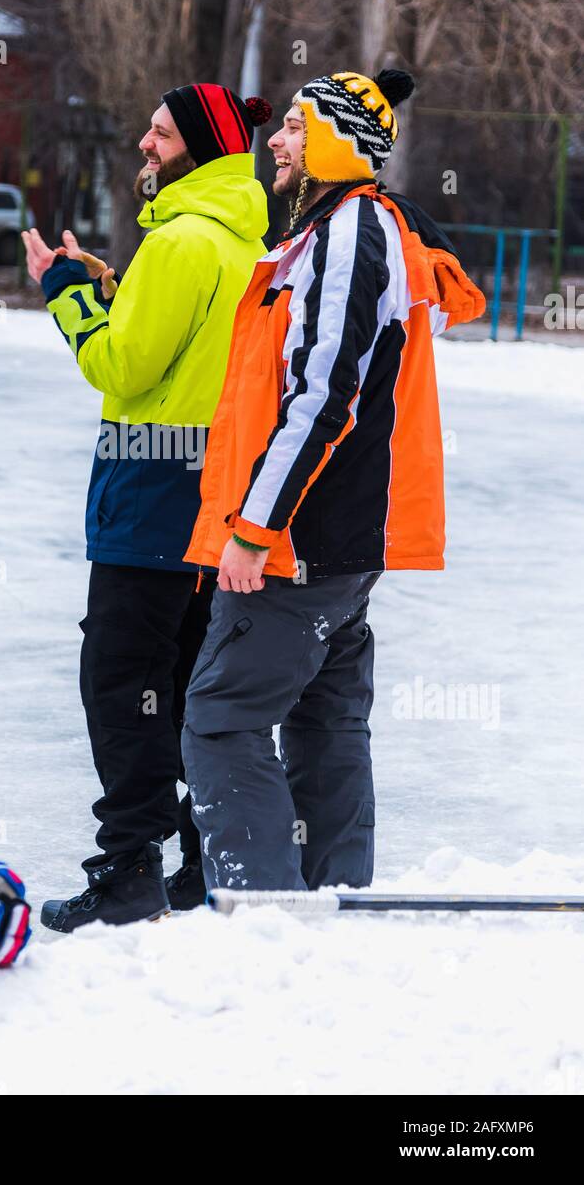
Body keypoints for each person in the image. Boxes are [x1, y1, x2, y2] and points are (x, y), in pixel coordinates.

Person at [181, 68, 486, 895]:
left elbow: (322, 397)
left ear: (331, 141)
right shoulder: (337, 230)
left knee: (221, 719)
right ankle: (333, 898)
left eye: (290, 127)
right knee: (323, 718)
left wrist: (253, 527)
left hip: (304, 536)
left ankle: (262, 906)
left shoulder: (350, 235)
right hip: (339, 539)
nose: (274, 141)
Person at [22, 84, 272, 929]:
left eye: (161, 134)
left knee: (120, 678)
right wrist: (116, 283)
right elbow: (194, 346)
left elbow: (124, 369)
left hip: (153, 483)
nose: (143, 142)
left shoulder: (181, 242)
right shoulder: (244, 241)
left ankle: (130, 864)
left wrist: (66, 292)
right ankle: (206, 860)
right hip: (220, 489)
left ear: (198, 149)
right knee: (191, 678)